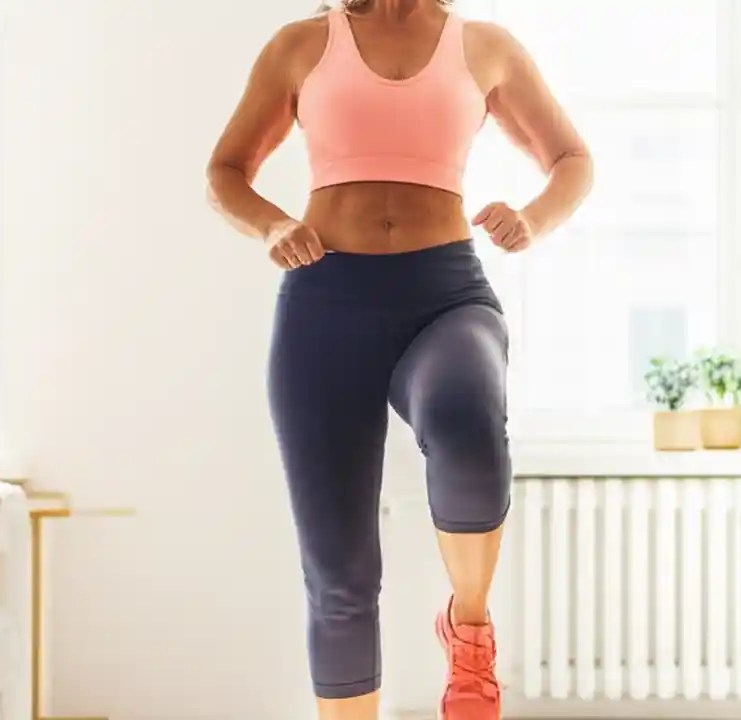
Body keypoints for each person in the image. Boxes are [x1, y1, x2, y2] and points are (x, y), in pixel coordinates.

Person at [206, 0, 591, 717]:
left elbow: (573, 158)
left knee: (467, 419)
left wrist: (532, 218)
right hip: (324, 305)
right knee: (341, 579)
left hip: (444, 294)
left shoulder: (482, 45)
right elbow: (225, 171)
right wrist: (273, 225)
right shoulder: (302, 45)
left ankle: (468, 627)